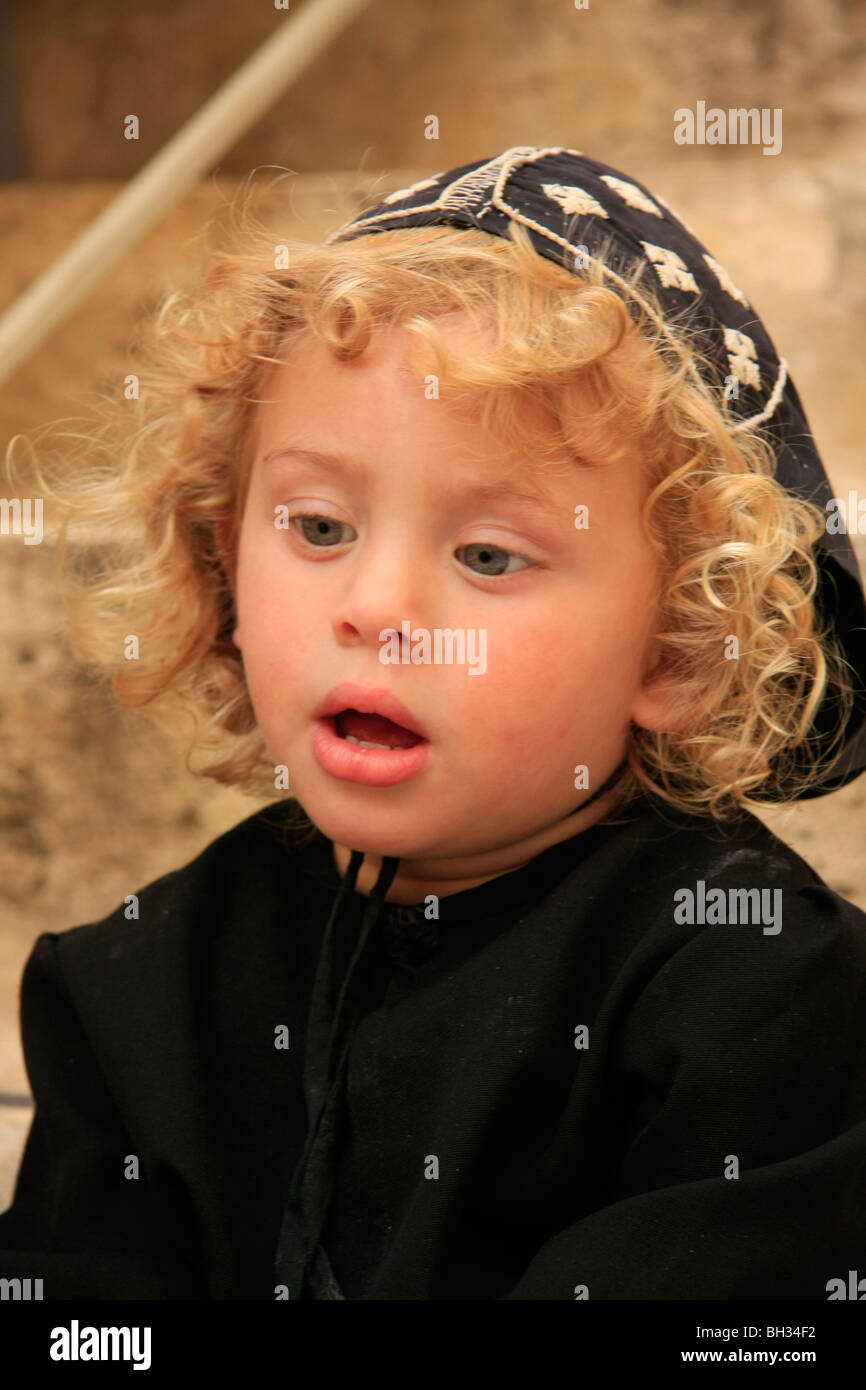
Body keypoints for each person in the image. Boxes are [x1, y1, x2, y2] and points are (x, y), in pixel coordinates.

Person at [1, 145, 866, 1300]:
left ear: (674, 647)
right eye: (316, 528)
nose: (373, 610)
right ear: (222, 563)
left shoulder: (759, 995)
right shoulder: (136, 986)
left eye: (488, 554)